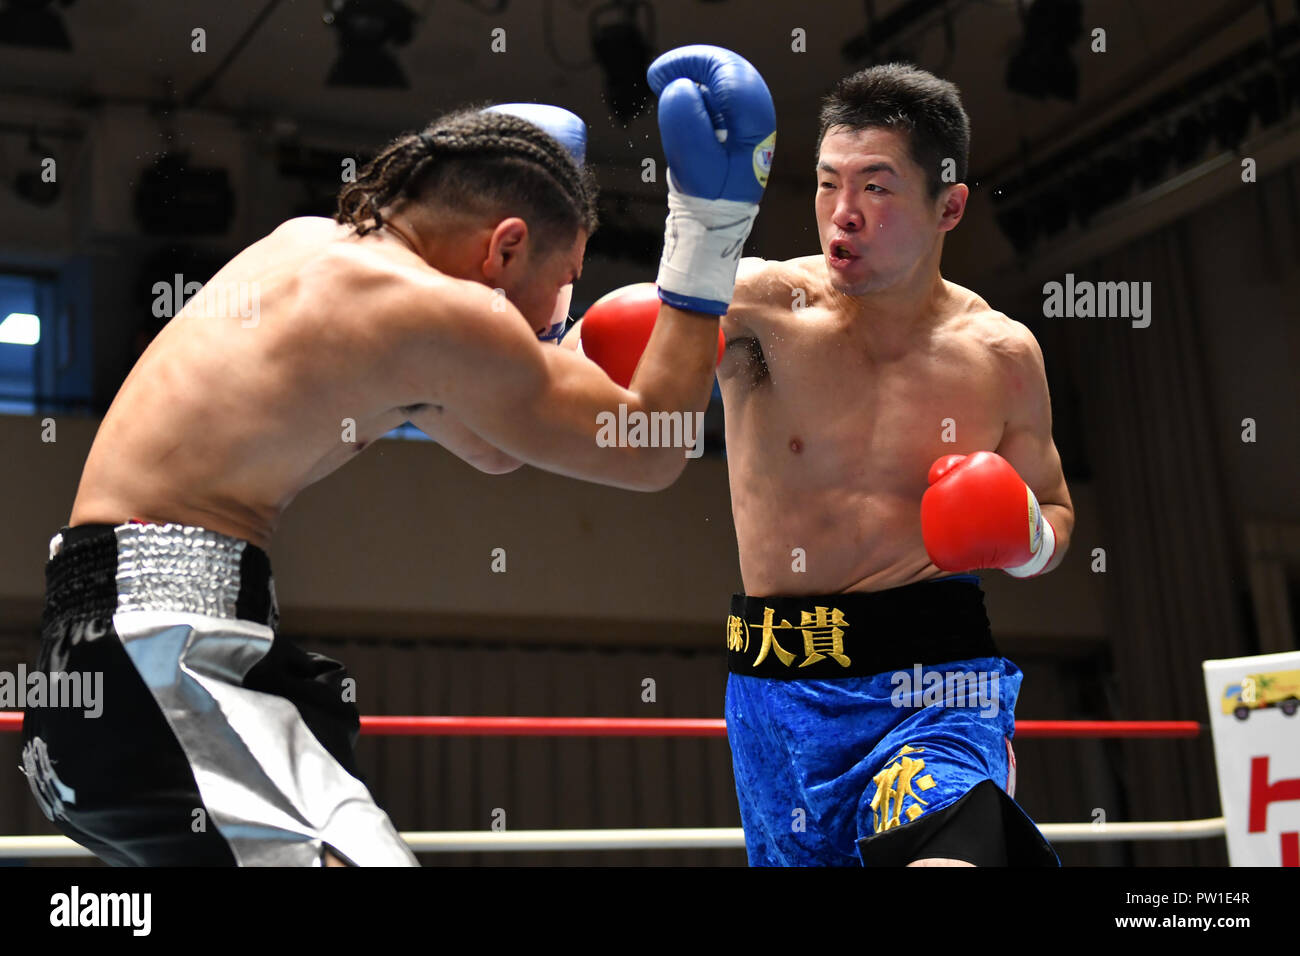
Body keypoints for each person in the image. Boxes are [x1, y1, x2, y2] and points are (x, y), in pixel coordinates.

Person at [20, 45, 777, 867]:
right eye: (562, 280)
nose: (548, 319)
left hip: (114, 655)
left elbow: (494, 449)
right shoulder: (440, 314)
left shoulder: (308, 247)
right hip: (160, 656)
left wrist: (548, 333)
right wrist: (711, 227)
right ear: (506, 248)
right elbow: (650, 449)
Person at [571, 64, 1073, 866]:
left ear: (949, 206)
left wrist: (1024, 536)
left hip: (936, 686)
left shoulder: (1002, 354)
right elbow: (587, 382)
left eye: (877, 188)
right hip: (778, 688)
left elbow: (1054, 512)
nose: (843, 213)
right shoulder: (759, 309)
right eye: (828, 183)